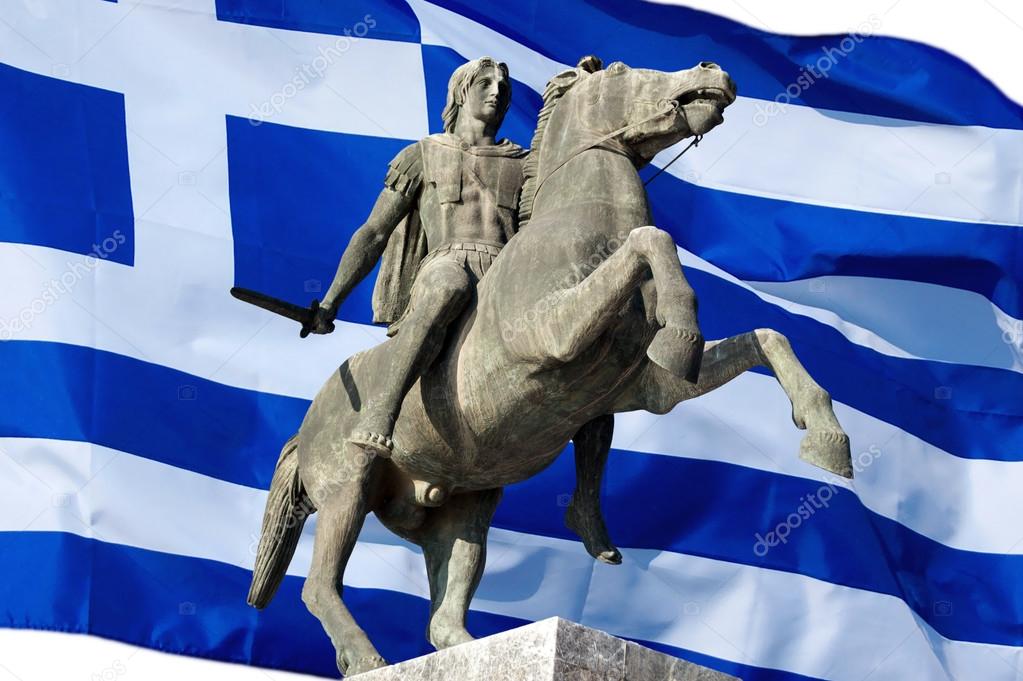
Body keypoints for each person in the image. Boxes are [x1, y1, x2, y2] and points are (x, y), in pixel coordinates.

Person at [309, 56, 527, 460]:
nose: (497, 91)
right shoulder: (422, 155)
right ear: (462, 93)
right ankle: (382, 411)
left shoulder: (525, 164)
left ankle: (586, 492)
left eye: (504, 86)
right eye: (485, 83)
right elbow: (373, 232)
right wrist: (330, 302)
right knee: (448, 285)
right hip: (447, 261)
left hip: (505, 272)